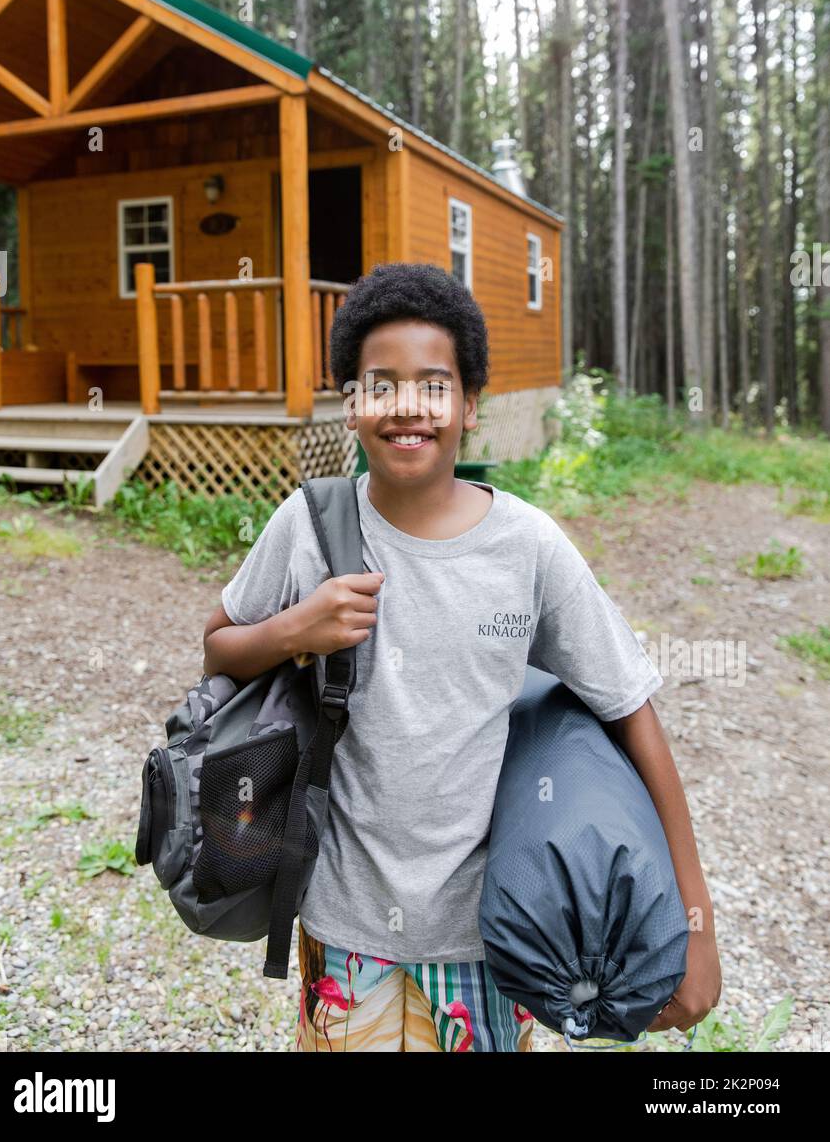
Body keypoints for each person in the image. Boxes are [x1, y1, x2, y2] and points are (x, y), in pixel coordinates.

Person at [202, 262, 721, 1052]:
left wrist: (695, 926)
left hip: (492, 938)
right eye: (380, 383)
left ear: (470, 405)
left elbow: (631, 709)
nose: (407, 406)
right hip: (345, 927)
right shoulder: (306, 527)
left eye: (434, 385)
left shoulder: (528, 548)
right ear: (352, 404)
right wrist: (293, 630)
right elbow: (219, 646)